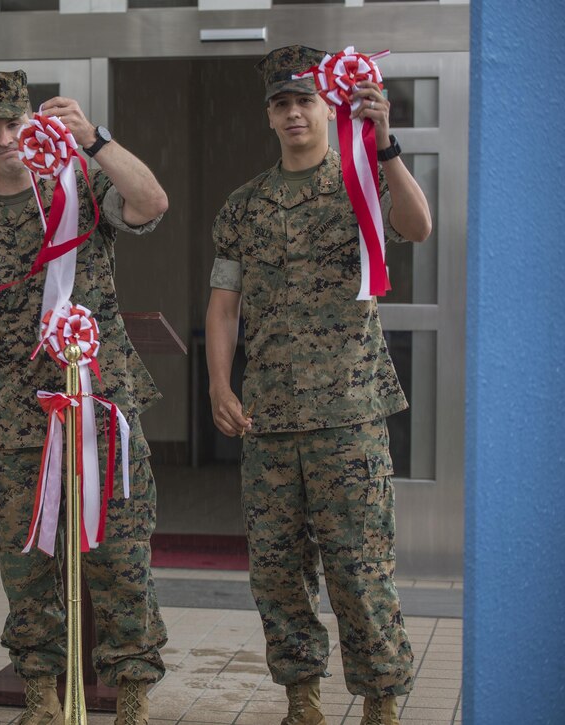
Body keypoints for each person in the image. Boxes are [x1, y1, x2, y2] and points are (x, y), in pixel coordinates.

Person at [0, 69, 169, 725]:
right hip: (9, 419)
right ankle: (41, 692)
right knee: (25, 568)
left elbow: (151, 202)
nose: (5, 139)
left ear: (34, 122)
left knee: (120, 558)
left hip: (100, 406)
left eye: (14, 124)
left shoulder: (81, 191)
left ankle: (133, 697)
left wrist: (95, 140)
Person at [205, 45, 433, 725]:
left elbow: (418, 225)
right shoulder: (244, 206)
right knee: (278, 573)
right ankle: (302, 698)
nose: (294, 112)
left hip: (349, 414)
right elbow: (223, 304)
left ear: (326, 106)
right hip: (268, 418)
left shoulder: (361, 180)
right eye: (282, 103)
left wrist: (386, 143)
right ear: (269, 116)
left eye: (305, 100)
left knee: (360, 568)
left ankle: (382, 701)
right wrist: (220, 382)